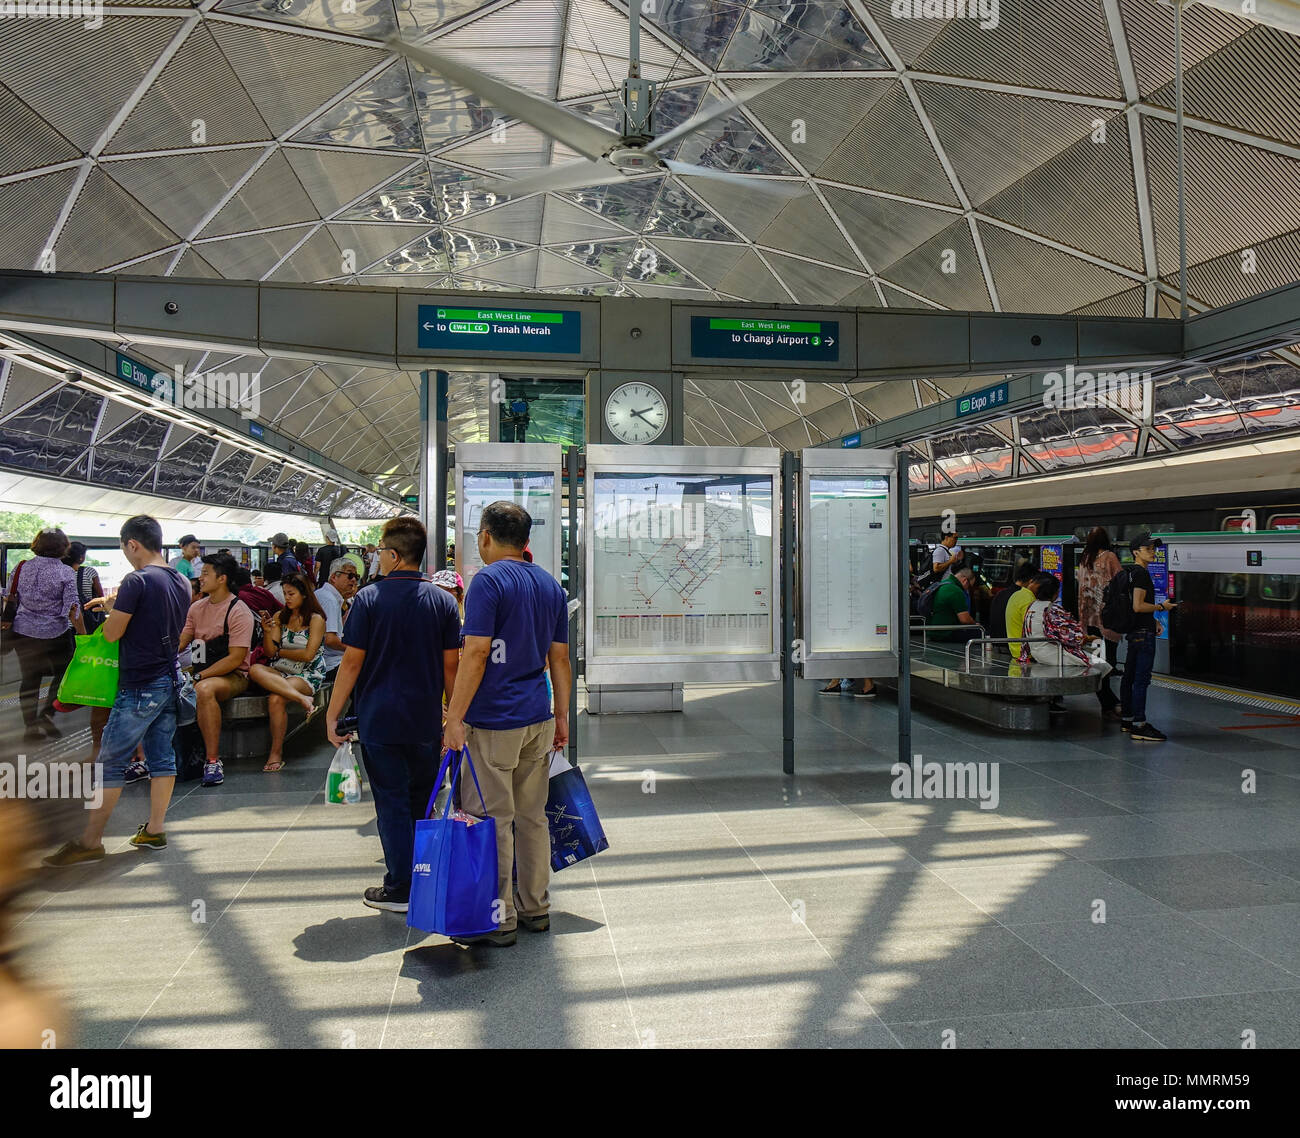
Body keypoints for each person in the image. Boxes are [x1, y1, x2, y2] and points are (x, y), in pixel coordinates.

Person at [443, 501, 571, 948]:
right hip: (537, 716)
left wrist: (454, 718)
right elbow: (560, 659)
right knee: (532, 817)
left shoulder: (487, 582)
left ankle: (500, 919)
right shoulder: (550, 585)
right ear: (526, 540)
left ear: (485, 537)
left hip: (495, 720)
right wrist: (562, 718)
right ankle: (536, 908)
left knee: (494, 818)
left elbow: (475, 653)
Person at [326, 517, 461, 913]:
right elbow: (451, 667)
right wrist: (453, 718)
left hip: (379, 720)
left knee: (391, 803)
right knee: (423, 800)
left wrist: (332, 714)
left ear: (393, 555)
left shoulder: (369, 600)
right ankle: (425, 877)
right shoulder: (442, 602)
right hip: (425, 722)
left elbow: (351, 665)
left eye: (382, 552)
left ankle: (400, 887)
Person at [42, 516, 192, 866]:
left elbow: (111, 634)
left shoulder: (136, 581)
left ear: (132, 544)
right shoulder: (180, 579)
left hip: (139, 683)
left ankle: (90, 841)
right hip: (170, 679)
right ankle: (155, 829)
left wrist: (111, 609)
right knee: (162, 758)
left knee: (110, 762)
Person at [178, 552, 256, 788]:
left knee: (203, 689)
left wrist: (199, 675)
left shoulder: (238, 610)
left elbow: (235, 659)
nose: (200, 578)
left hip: (233, 675)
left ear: (221, 578)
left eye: (205, 573)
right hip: (202, 669)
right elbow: (182, 641)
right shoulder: (197, 608)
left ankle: (212, 760)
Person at [5, 530, 85, 741]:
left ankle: (30, 728)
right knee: (66, 673)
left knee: (30, 679)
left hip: (24, 633)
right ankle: (47, 713)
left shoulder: (21, 567)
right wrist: (84, 636)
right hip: (55, 634)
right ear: (63, 548)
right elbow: (73, 609)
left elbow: (9, 597)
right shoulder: (66, 573)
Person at [250, 572, 325, 773]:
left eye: (291, 593)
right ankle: (303, 700)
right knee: (255, 669)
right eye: (285, 594)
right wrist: (267, 633)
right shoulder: (279, 617)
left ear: (304, 594)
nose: (287, 598)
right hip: (281, 670)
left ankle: (276, 753)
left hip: (307, 673)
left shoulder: (316, 619)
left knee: (276, 699)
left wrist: (280, 652)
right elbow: (269, 652)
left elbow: (309, 655)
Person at [1122, 534, 1176, 742]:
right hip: (1143, 635)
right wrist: (1162, 607)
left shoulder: (1129, 573)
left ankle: (1127, 720)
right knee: (1141, 680)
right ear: (1136, 552)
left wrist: (1153, 620)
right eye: (1148, 549)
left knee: (1129, 677)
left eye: (1154, 549)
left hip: (1135, 631)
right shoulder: (1142, 574)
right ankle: (1139, 725)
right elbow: (1138, 606)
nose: (1153, 552)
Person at [1076, 526, 1123, 720]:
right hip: (1108, 618)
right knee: (1108, 663)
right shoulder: (1109, 557)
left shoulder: (1084, 560)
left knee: (1098, 662)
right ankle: (1111, 704)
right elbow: (1121, 583)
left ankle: (1108, 704)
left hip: (1090, 618)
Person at [1019, 574, 1104, 669]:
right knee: (1101, 665)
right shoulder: (1052, 609)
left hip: (1037, 654)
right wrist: (1088, 638)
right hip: (1055, 655)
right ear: (1055, 592)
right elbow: (1074, 637)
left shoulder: (1032, 606)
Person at [315, 557, 359, 681]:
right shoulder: (329, 600)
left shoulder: (325, 595)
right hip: (330, 664)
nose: (354, 580)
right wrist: (355, 650)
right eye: (350, 575)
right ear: (334, 577)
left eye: (356, 576)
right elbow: (331, 640)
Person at [991, 561, 1037, 656]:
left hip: (995, 645)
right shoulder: (1024, 596)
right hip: (1012, 647)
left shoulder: (1001, 593)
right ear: (1031, 581)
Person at [927, 566, 980, 643]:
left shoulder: (943, 584)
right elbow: (964, 619)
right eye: (969, 586)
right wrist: (976, 624)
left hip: (933, 631)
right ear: (965, 580)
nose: (967, 589)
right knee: (983, 633)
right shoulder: (955, 591)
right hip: (946, 633)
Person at [63, 542, 105, 632]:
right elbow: (101, 595)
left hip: (63, 625)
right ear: (81, 558)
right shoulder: (89, 572)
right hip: (85, 622)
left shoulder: (57, 573)